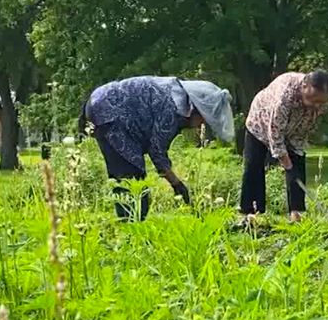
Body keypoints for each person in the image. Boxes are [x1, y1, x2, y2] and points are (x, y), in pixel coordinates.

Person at [80, 76, 234, 222]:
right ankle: (130, 234)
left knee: (135, 184)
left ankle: (133, 230)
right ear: (195, 109)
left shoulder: (177, 98)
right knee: (131, 183)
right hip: (109, 113)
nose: (201, 125)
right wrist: (177, 184)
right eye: (203, 120)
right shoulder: (172, 110)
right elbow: (156, 151)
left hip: (103, 105)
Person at [241, 70, 328, 222]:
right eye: (313, 99)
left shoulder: (322, 101)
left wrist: (293, 160)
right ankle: (250, 213)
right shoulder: (285, 96)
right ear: (305, 86)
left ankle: (296, 213)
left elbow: (306, 127)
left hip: (292, 129)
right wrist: (285, 162)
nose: (317, 105)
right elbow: (275, 131)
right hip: (261, 122)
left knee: (297, 167)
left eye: (321, 102)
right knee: (254, 165)